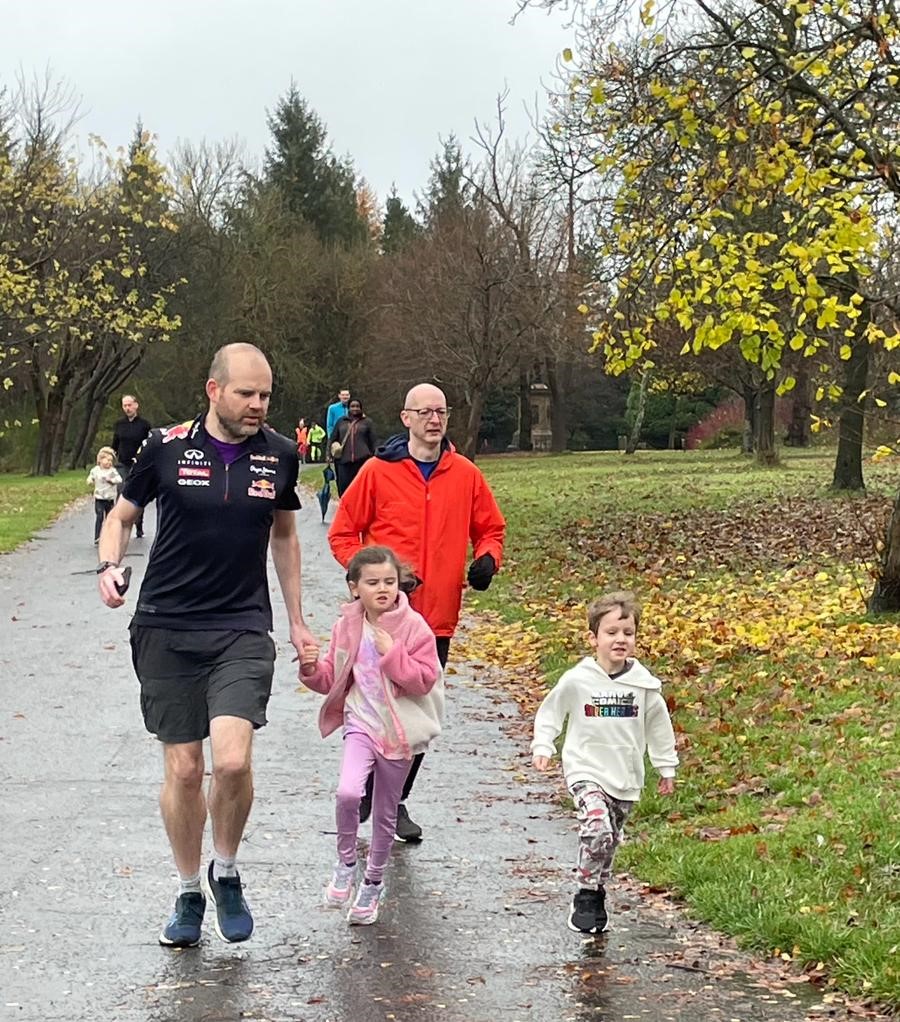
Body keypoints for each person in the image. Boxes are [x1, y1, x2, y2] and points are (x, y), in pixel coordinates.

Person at [96, 342, 315, 949]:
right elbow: (120, 516)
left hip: (241, 625)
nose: (257, 405)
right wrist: (109, 566)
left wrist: (296, 620)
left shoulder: (279, 455)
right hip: (167, 626)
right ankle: (189, 888)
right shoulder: (164, 448)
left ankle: (227, 870)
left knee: (235, 759)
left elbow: (287, 536)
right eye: (246, 393)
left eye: (265, 395)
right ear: (213, 389)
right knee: (187, 768)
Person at [328, 383, 505, 841]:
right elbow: (343, 534)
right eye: (424, 411)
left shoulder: (465, 474)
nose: (434, 419)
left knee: (417, 715)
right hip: (380, 619)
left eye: (441, 411)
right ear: (405, 417)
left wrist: (487, 558)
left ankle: (395, 798)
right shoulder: (377, 472)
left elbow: (491, 529)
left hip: (436, 618)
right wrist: (374, 579)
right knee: (372, 705)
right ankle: (365, 782)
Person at [299, 546, 442, 924]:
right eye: (373, 582)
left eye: (390, 582)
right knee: (348, 792)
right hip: (360, 724)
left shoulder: (413, 627)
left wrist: (392, 652)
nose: (384, 589)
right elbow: (332, 676)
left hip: (397, 733)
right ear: (354, 588)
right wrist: (312, 670)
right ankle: (346, 863)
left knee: (384, 814)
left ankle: (373, 883)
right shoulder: (348, 625)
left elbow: (424, 680)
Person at [531, 590, 678, 935]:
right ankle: (584, 893)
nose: (620, 640)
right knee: (597, 828)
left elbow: (659, 729)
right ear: (593, 638)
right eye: (611, 633)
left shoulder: (644, 687)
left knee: (609, 839)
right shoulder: (577, 680)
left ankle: (597, 891)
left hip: (625, 776)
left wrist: (666, 767)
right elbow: (551, 711)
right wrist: (544, 745)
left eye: (627, 633)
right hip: (585, 769)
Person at [111, 394, 152, 538]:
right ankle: (120, 523)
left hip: (139, 465)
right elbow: (115, 444)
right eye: (124, 406)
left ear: (136, 405)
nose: (127, 408)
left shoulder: (144, 425)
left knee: (137, 494)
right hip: (122, 464)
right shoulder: (119, 425)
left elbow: (149, 444)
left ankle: (138, 523)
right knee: (121, 491)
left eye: (129, 405)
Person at [328, 398, 377, 497]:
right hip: (343, 462)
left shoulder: (367, 422)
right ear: (348, 408)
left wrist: (376, 456)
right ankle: (346, 509)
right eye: (352, 406)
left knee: (361, 490)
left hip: (362, 462)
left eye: (357, 406)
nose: (355, 409)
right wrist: (328, 454)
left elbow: (374, 441)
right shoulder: (341, 422)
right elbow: (333, 438)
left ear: (361, 408)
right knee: (344, 490)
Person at [86, 446, 122, 544]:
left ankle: (109, 535)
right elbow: (90, 477)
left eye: (111, 461)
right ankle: (97, 536)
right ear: (100, 460)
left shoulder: (112, 471)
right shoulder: (95, 470)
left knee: (109, 518)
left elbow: (119, 480)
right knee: (99, 516)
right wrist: (90, 481)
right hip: (99, 497)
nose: (109, 463)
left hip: (109, 498)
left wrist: (112, 481)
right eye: (107, 460)